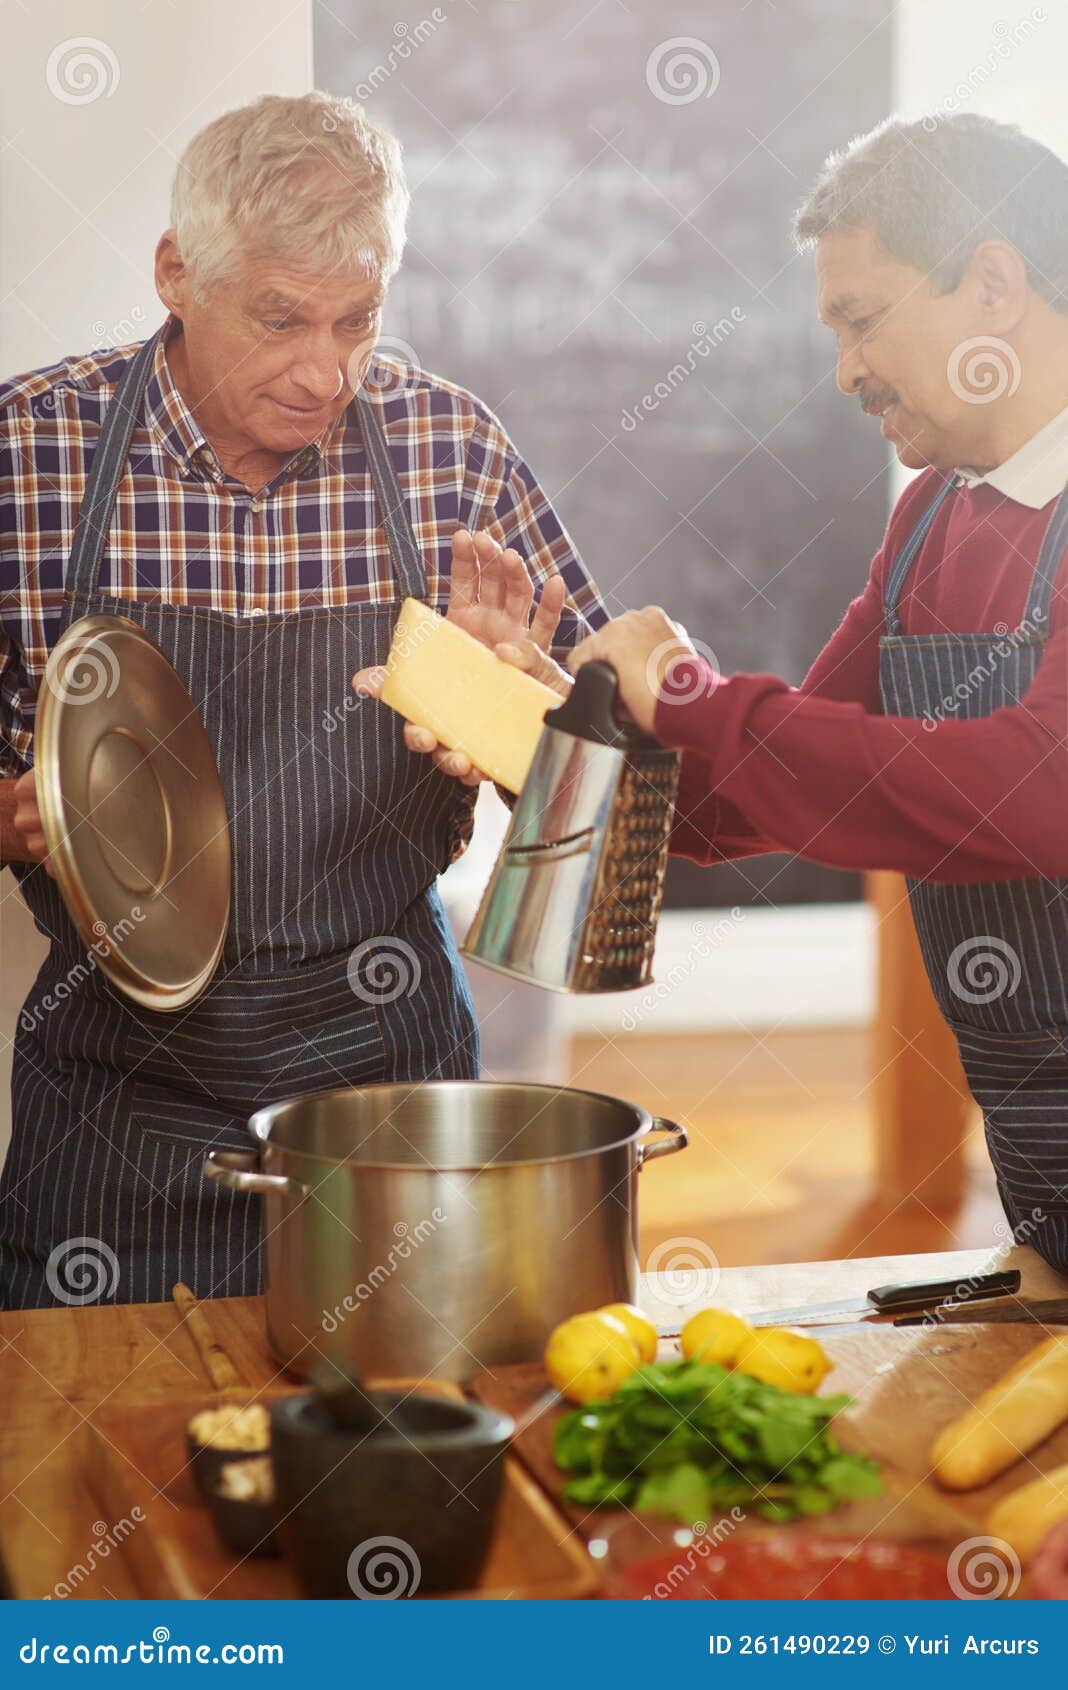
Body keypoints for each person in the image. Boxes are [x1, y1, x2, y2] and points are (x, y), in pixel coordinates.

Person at [399, 115, 1068, 1274]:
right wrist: (553, 712)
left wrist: (692, 693)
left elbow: (1032, 793)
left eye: (864, 320)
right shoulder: (929, 522)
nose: (848, 370)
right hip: (1040, 1138)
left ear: (995, 285)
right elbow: (749, 807)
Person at [0, 92, 606, 1309]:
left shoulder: (451, 451)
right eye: (280, 319)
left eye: (359, 320)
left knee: (405, 1459)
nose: (327, 371)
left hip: (386, 1082)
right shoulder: (29, 452)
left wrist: (529, 726)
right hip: (116, 1095)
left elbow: (606, 810)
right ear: (178, 273)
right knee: (79, 1468)